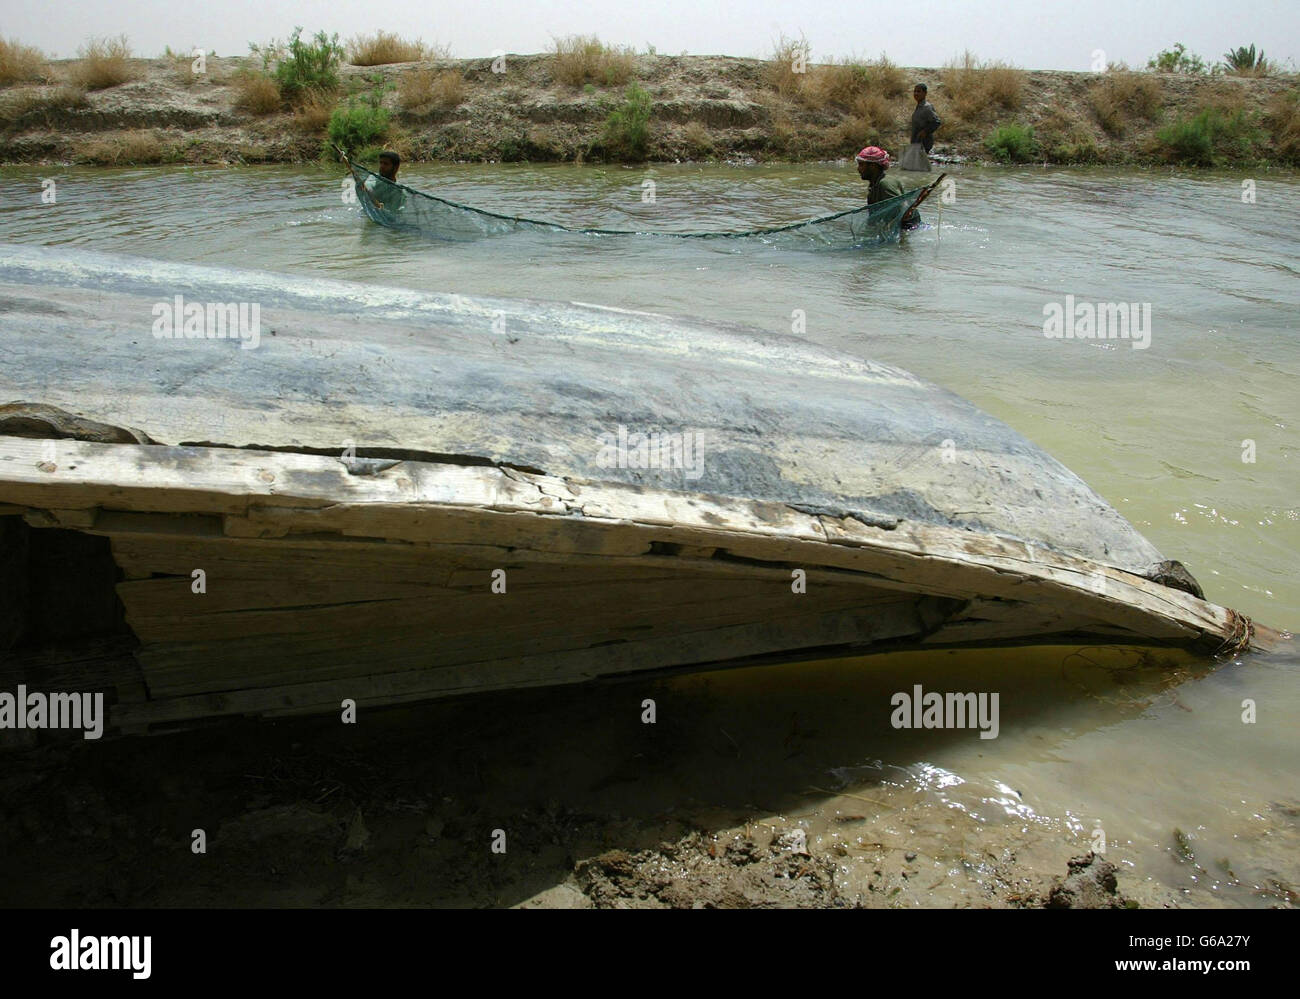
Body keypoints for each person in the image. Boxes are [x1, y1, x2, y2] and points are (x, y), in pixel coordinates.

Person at [855, 146, 921, 228]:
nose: (858, 169)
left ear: (873, 166)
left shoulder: (885, 184)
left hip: (908, 228)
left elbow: (900, 209)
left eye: (861, 165)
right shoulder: (875, 184)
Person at [910, 84, 941, 153]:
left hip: (924, 144)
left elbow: (936, 122)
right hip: (916, 143)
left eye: (918, 91)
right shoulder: (919, 106)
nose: (916, 94)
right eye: (914, 91)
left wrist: (925, 131)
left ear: (925, 93)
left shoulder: (927, 107)